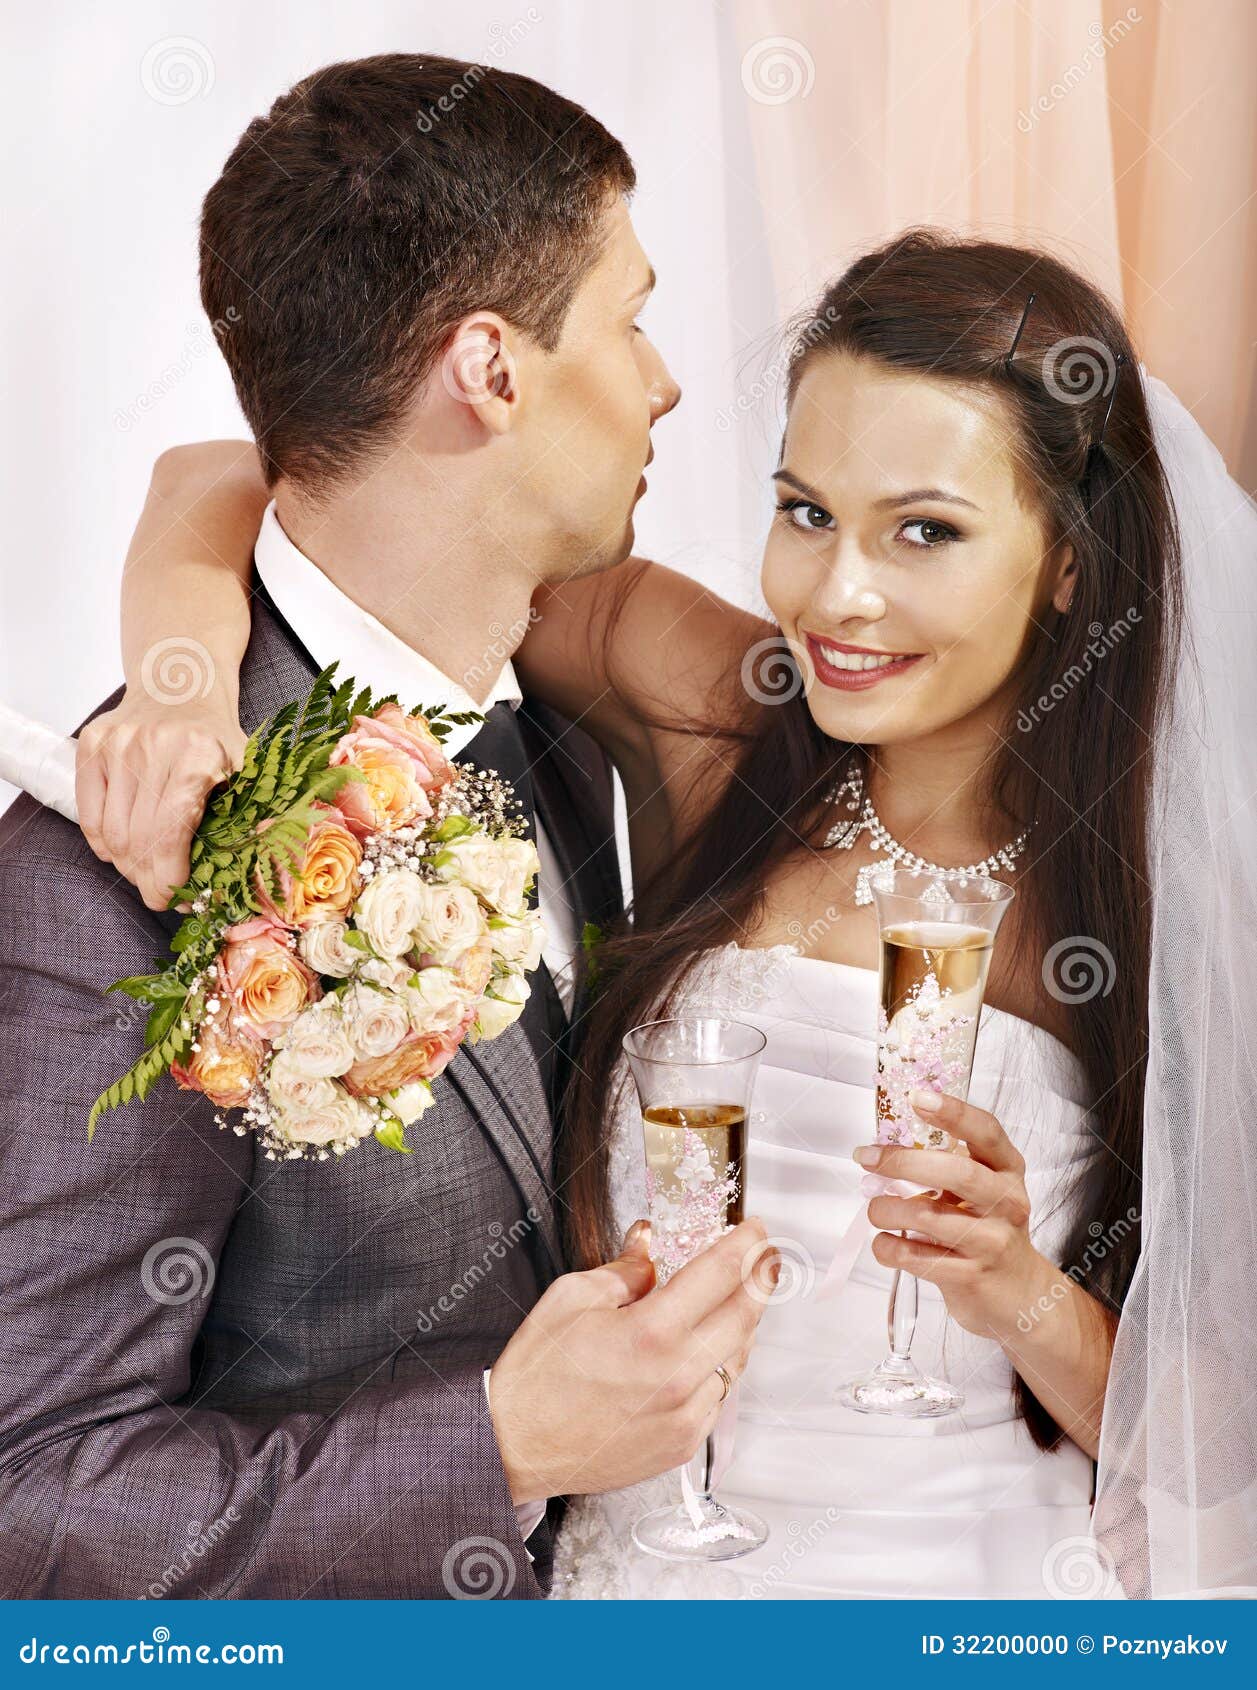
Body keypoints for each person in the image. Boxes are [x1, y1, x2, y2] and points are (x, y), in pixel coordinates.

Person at [86, 214, 1257, 1599]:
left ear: (1067, 561)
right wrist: (175, 680)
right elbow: (257, 483)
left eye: (923, 531)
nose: (839, 593)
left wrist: (1014, 1288)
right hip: (640, 1572)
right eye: (805, 510)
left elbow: (1213, 1449)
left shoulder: (1135, 897)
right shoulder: (724, 720)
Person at [0, 54, 780, 1601]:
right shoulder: (112, 871)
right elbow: (31, 1494)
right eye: (628, 317)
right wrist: (493, 1444)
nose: (663, 379)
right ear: (490, 367)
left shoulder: (558, 687)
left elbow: (210, 479)